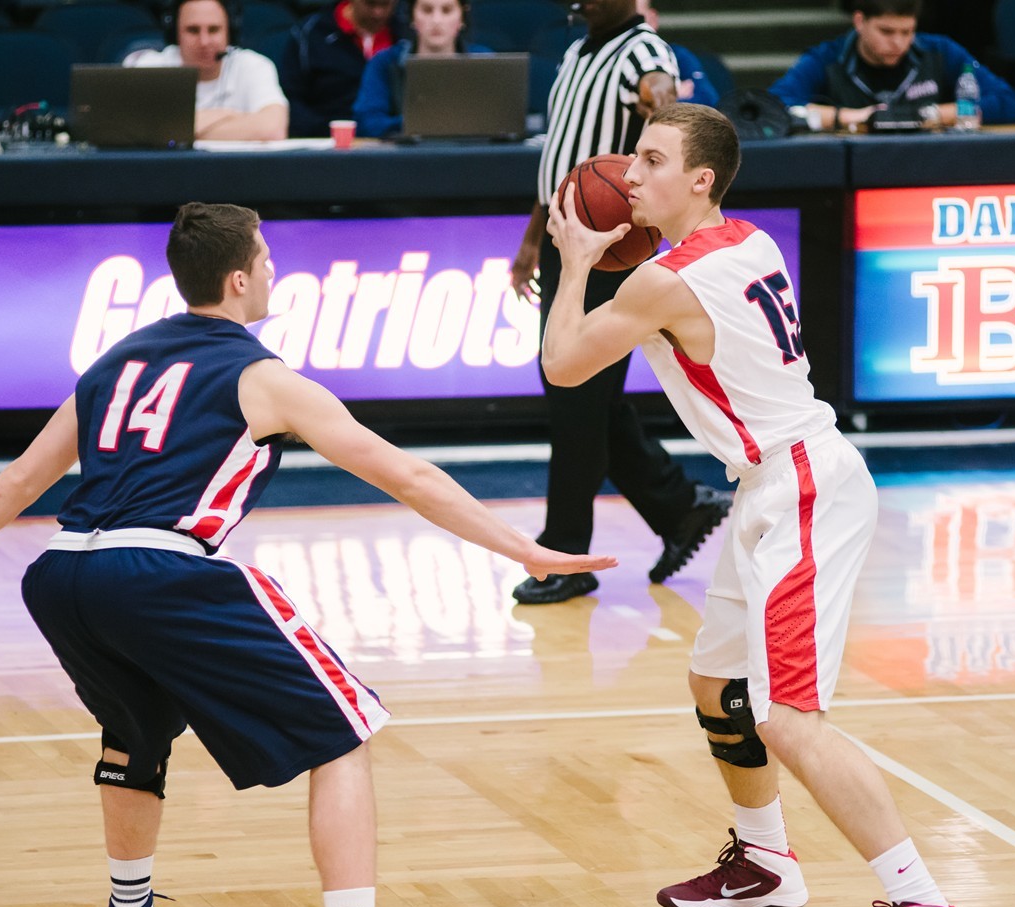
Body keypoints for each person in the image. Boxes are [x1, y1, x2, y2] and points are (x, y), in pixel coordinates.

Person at [0, 202, 614, 907]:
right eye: (268, 258)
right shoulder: (263, 376)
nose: (276, 272)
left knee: (133, 735)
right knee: (345, 734)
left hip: (62, 575)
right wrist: (524, 549)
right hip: (157, 570)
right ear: (240, 279)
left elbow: (18, 485)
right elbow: (407, 478)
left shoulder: (113, 362)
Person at [542, 103, 985, 907]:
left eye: (652, 161)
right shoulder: (747, 239)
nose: (629, 176)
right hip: (769, 486)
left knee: (787, 718)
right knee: (716, 684)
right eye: (631, 161)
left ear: (699, 180)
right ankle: (766, 857)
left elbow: (562, 366)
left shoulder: (661, 283)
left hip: (804, 489)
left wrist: (578, 259)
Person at [509, 0, 731, 606]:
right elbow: (560, 162)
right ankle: (679, 506)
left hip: (611, 244)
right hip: (567, 237)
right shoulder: (577, 50)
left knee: (575, 396)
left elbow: (664, 106)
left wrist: (660, 110)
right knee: (591, 396)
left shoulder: (645, 52)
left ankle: (566, 555)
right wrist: (535, 239)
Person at [769, 0, 1015, 133]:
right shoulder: (826, 59)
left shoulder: (941, 51)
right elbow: (772, 108)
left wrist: (933, 114)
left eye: (907, 31)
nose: (899, 42)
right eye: (887, 31)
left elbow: (1010, 104)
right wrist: (849, 117)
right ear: (860, 21)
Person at [124, 0, 289, 141]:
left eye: (214, 30)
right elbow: (133, 132)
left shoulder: (253, 66)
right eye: (193, 30)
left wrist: (173, 131)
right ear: (175, 34)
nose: (204, 42)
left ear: (229, 32)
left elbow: (272, 129)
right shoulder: (150, 67)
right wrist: (229, 115)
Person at [352, 0, 489, 138]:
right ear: (412, 17)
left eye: (447, 10)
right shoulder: (385, 62)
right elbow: (367, 123)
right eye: (427, 10)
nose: (436, 20)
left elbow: (504, 119)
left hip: (470, 155)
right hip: (404, 157)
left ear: (462, 18)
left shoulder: (485, 61)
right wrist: (424, 123)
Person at [280, 0, 403, 138]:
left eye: (385, 5)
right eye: (370, 3)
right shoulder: (310, 34)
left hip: (393, 140)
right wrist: (327, 131)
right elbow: (289, 98)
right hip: (324, 143)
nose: (378, 12)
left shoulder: (405, 37)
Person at [636, 0, 721, 107]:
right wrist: (672, 96)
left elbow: (708, 101)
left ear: (652, 19)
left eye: (637, 20)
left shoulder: (677, 54)